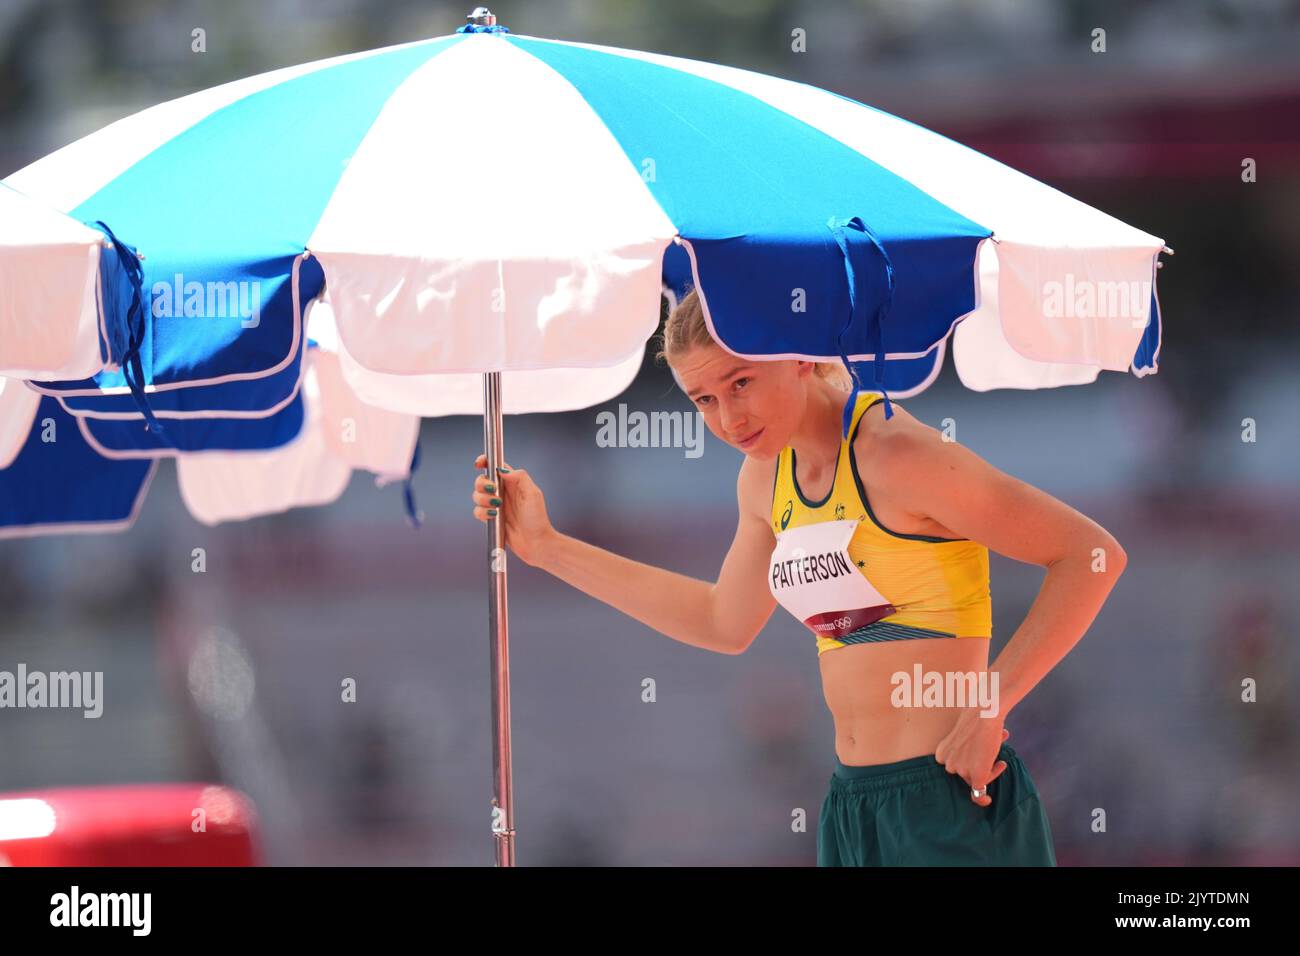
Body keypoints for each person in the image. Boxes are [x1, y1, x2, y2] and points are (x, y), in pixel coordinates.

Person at [470, 286, 1128, 866]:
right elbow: (723, 621)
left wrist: (993, 703)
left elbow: (1091, 556)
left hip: (951, 798)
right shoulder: (764, 477)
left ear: (801, 357)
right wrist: (548, 549)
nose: (729, 419)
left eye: (742, 383)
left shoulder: (897, 454)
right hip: (851, 806)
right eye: (704, 399)